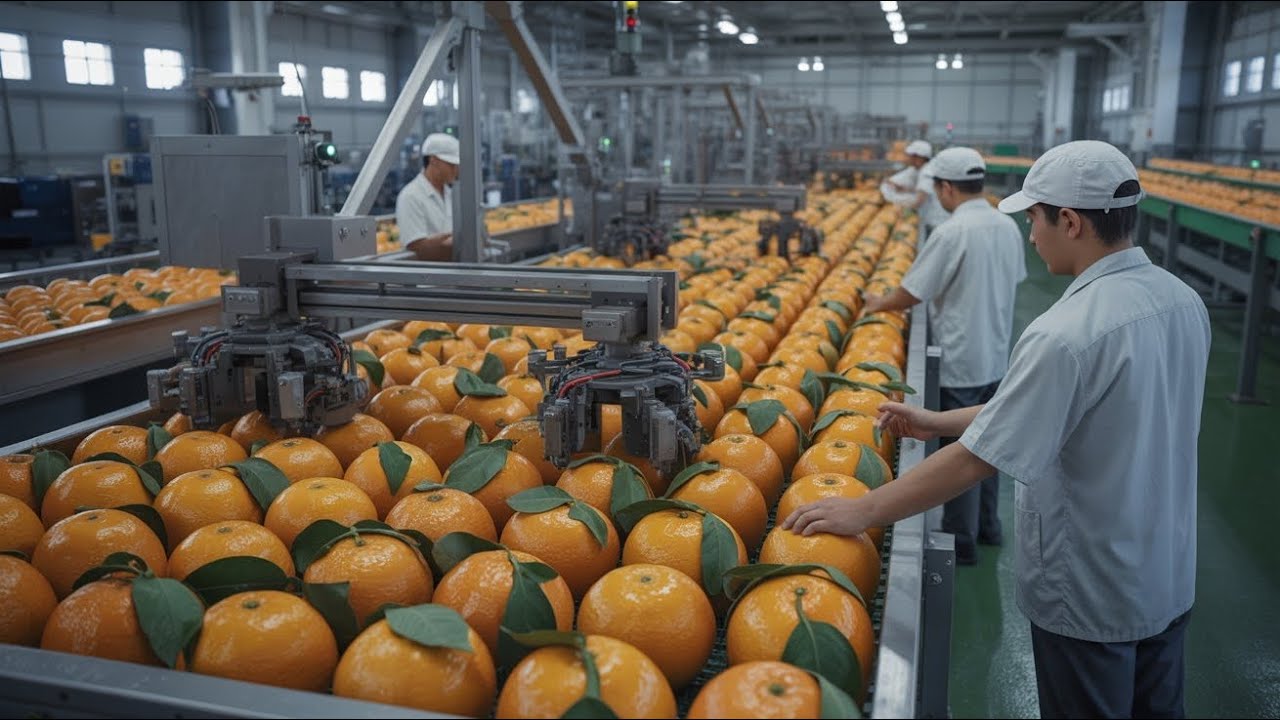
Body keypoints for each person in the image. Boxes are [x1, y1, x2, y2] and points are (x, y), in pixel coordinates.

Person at [785, 140, 1210, 719]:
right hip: (1164, 571)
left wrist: (864, 510)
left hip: (1093, 585)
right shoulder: (1183, 302)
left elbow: (976, 459)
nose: (1030, 235)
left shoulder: (1067, 332)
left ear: (1070, 221)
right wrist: (937, 420)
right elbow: (1054, 410)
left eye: (1034, 219)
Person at [861, 146, 1026, 564]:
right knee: (993, 443)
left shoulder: (952, 232)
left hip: (960, 359)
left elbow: (913, 291)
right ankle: (989, 527)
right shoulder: (1007, 225)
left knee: (963, 454)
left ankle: (960, 543)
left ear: (947, 188)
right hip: (996, 354)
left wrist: (878, 304)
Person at [395, 132, 460, 261]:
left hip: (455, 269)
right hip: (428, 273)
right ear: (433, 160)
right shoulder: (411, 196)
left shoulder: (452, 194)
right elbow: (418, 248)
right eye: (451, 165)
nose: (456, 170)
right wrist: (459, 239)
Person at [880, 140, 933, 207]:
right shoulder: (918, 169)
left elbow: (919, 201)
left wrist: (895, 200)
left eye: (909, 155)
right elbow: (921, 191)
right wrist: (904, 190)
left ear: (918, 157)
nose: (907, 158)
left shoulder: (927, 173)